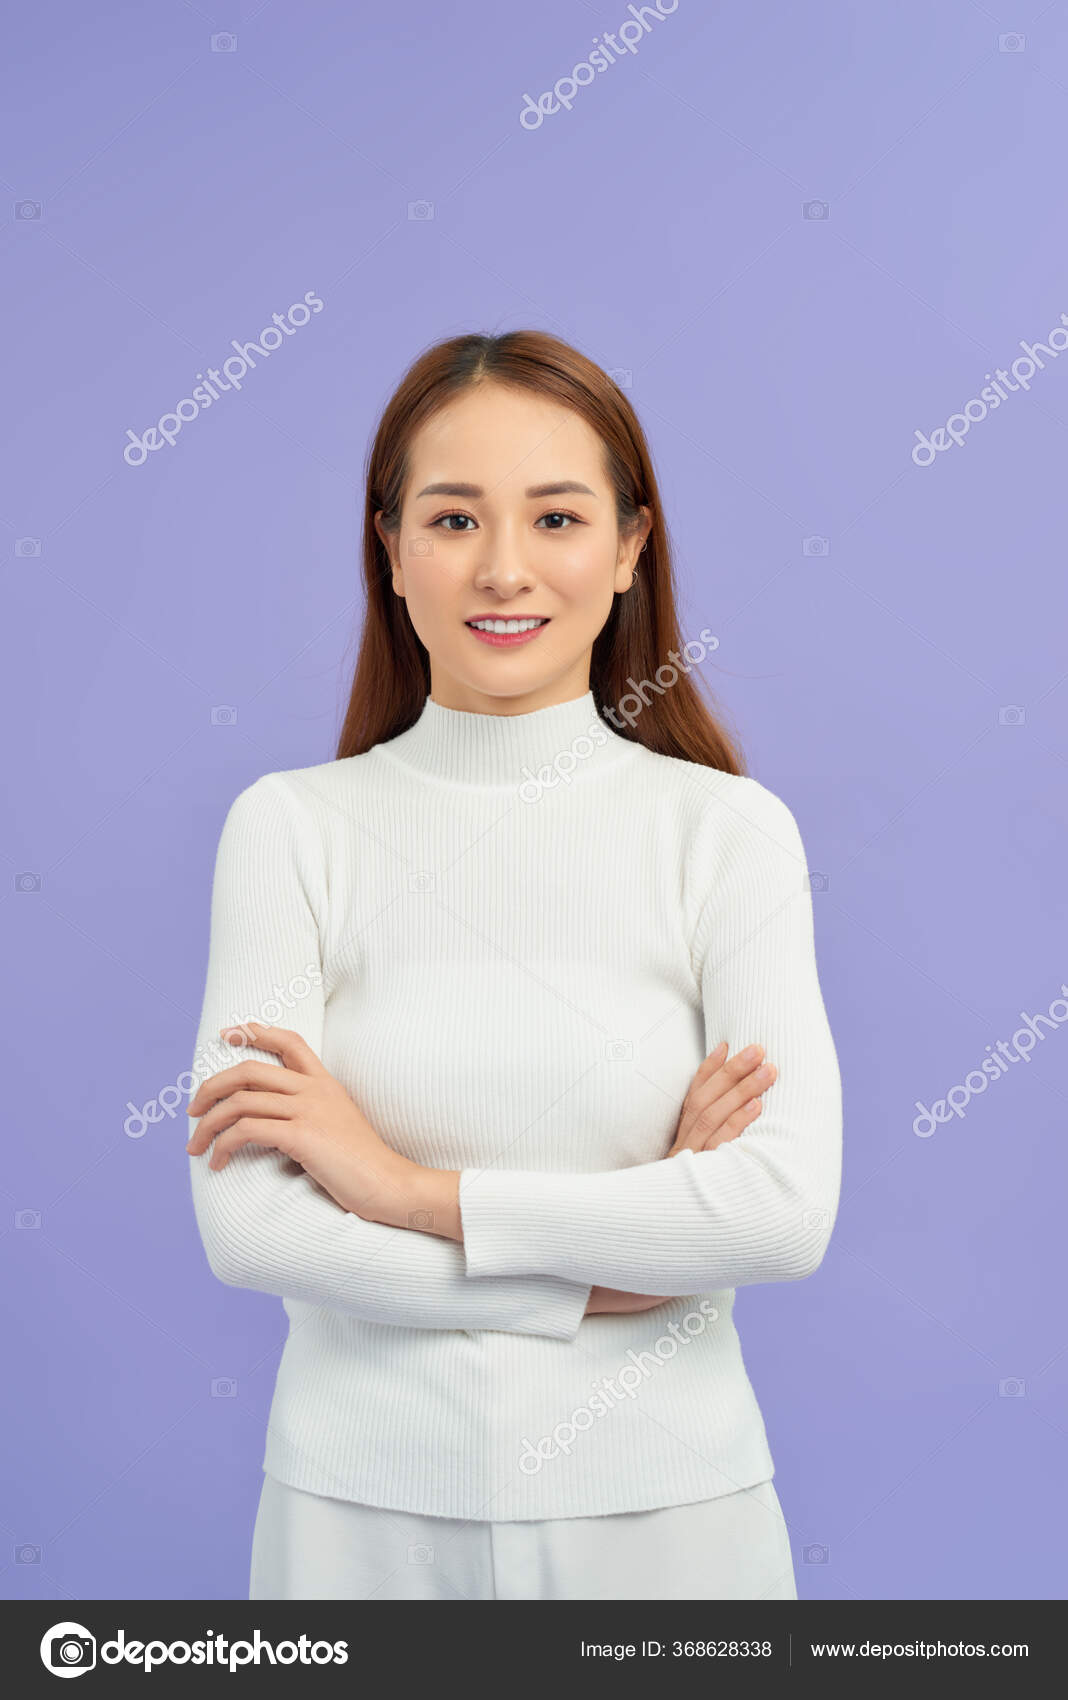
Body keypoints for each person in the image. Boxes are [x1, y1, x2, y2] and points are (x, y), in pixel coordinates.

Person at [185, 329, 842, 1601]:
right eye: (451, 517)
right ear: (389, 549)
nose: (503, 567)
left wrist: (396, 1185)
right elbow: (252, 1224)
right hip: (354, 1520)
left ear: (631, 544)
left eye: (556, 516)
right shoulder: (291, 827)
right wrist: (616, 1274)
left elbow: (777, 1209)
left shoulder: (726, 832)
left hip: (667, 1520)